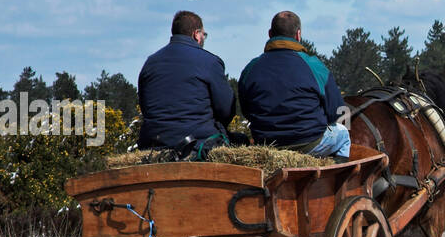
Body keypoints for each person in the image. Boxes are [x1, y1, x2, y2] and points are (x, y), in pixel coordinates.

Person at [238, 11, 351, 160]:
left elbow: (247, 111)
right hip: (309, 144)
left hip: (266, 145)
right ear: (298, 35)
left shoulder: (250, 68)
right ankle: (336, 180)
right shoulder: (314, 65)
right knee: (343, 134)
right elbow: (337, 111)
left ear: (270, 34)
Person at [137, 10, 236, 156]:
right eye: (204, 35)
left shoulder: (150, 63)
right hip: (199, 144)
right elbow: (226, 109)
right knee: (241, 140)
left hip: (154, 145)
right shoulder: (209, 62)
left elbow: (145, 107)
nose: (203, 38)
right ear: (196, 34)